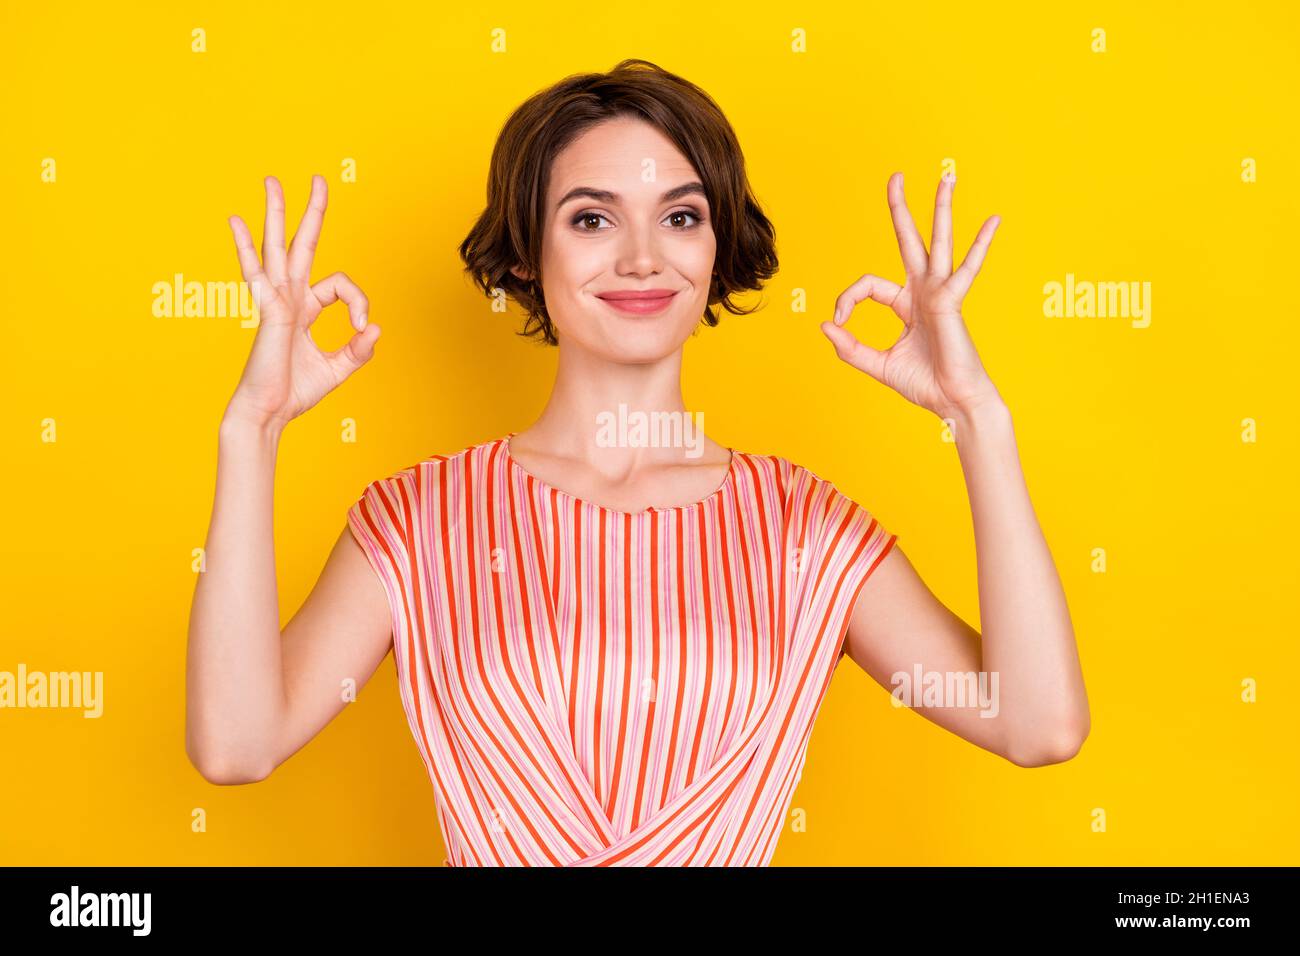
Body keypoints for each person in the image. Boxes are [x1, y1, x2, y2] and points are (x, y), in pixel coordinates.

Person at [186, 59, 1089, 866]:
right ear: (528, 255)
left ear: (716, 246)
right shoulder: (421, 520)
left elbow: (1038, 724)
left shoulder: (805, 531)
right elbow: (236, 746)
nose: (643, 257)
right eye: (590, 218)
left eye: (681, 216)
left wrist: (978, 417)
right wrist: (251, 429)